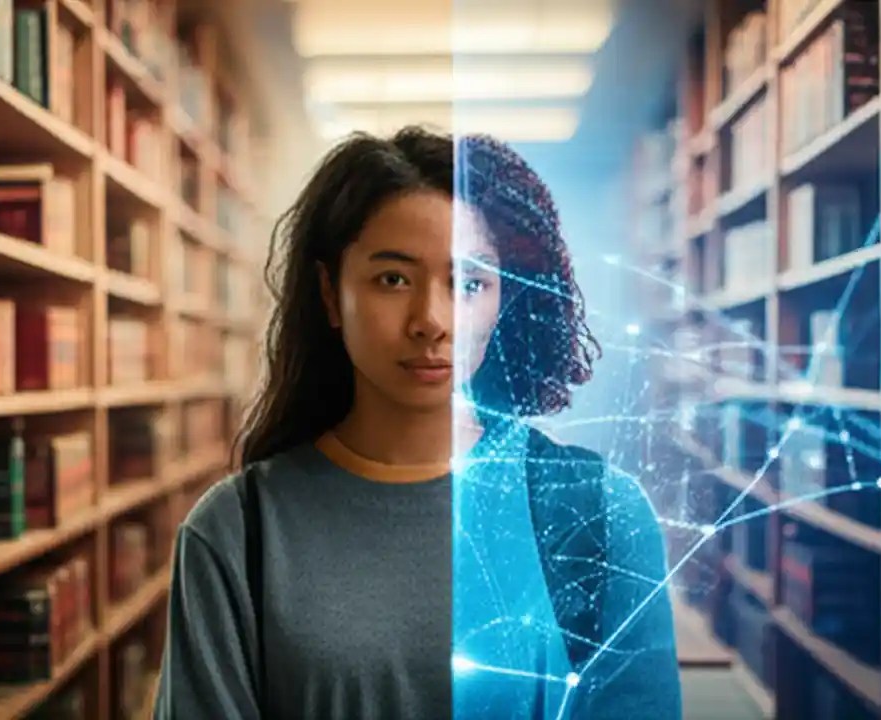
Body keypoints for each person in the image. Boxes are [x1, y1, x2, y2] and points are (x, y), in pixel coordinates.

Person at [153, 126, 682, 719]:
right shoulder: (237, 531)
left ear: (506, 299)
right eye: (393, 279)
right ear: (330, 294)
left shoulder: (599, 513)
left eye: (470, 283)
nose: (432, 321)